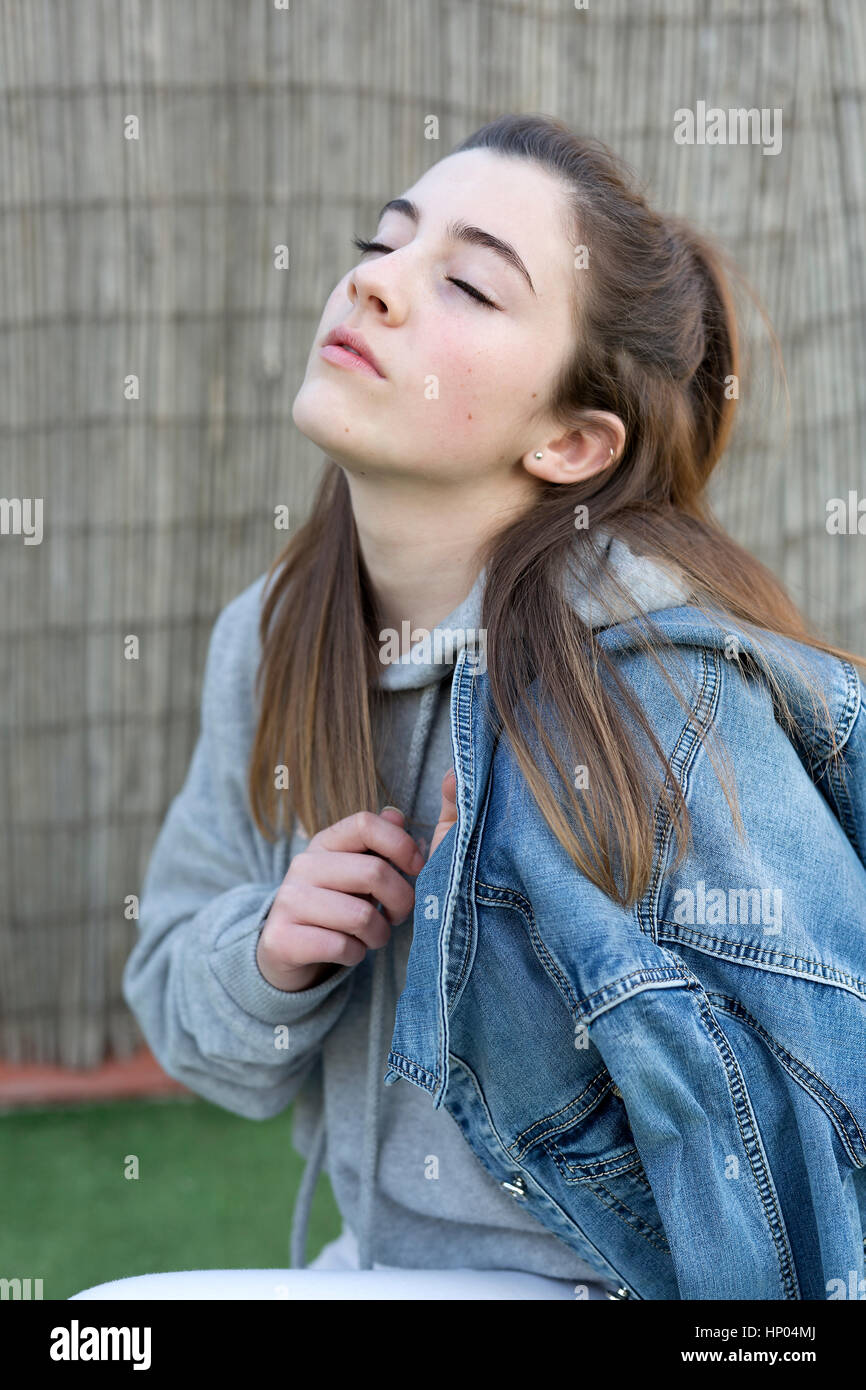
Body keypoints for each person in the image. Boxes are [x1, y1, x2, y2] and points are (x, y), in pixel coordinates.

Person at [106, 113, 865, 1301]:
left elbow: (820, 1098)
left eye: (463, 282)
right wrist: (269, 955)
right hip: (385, 1271)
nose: (374, 283)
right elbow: (203, 1040)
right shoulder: (270, 638)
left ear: (567, 441)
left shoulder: (658, 692)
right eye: (383, 240)